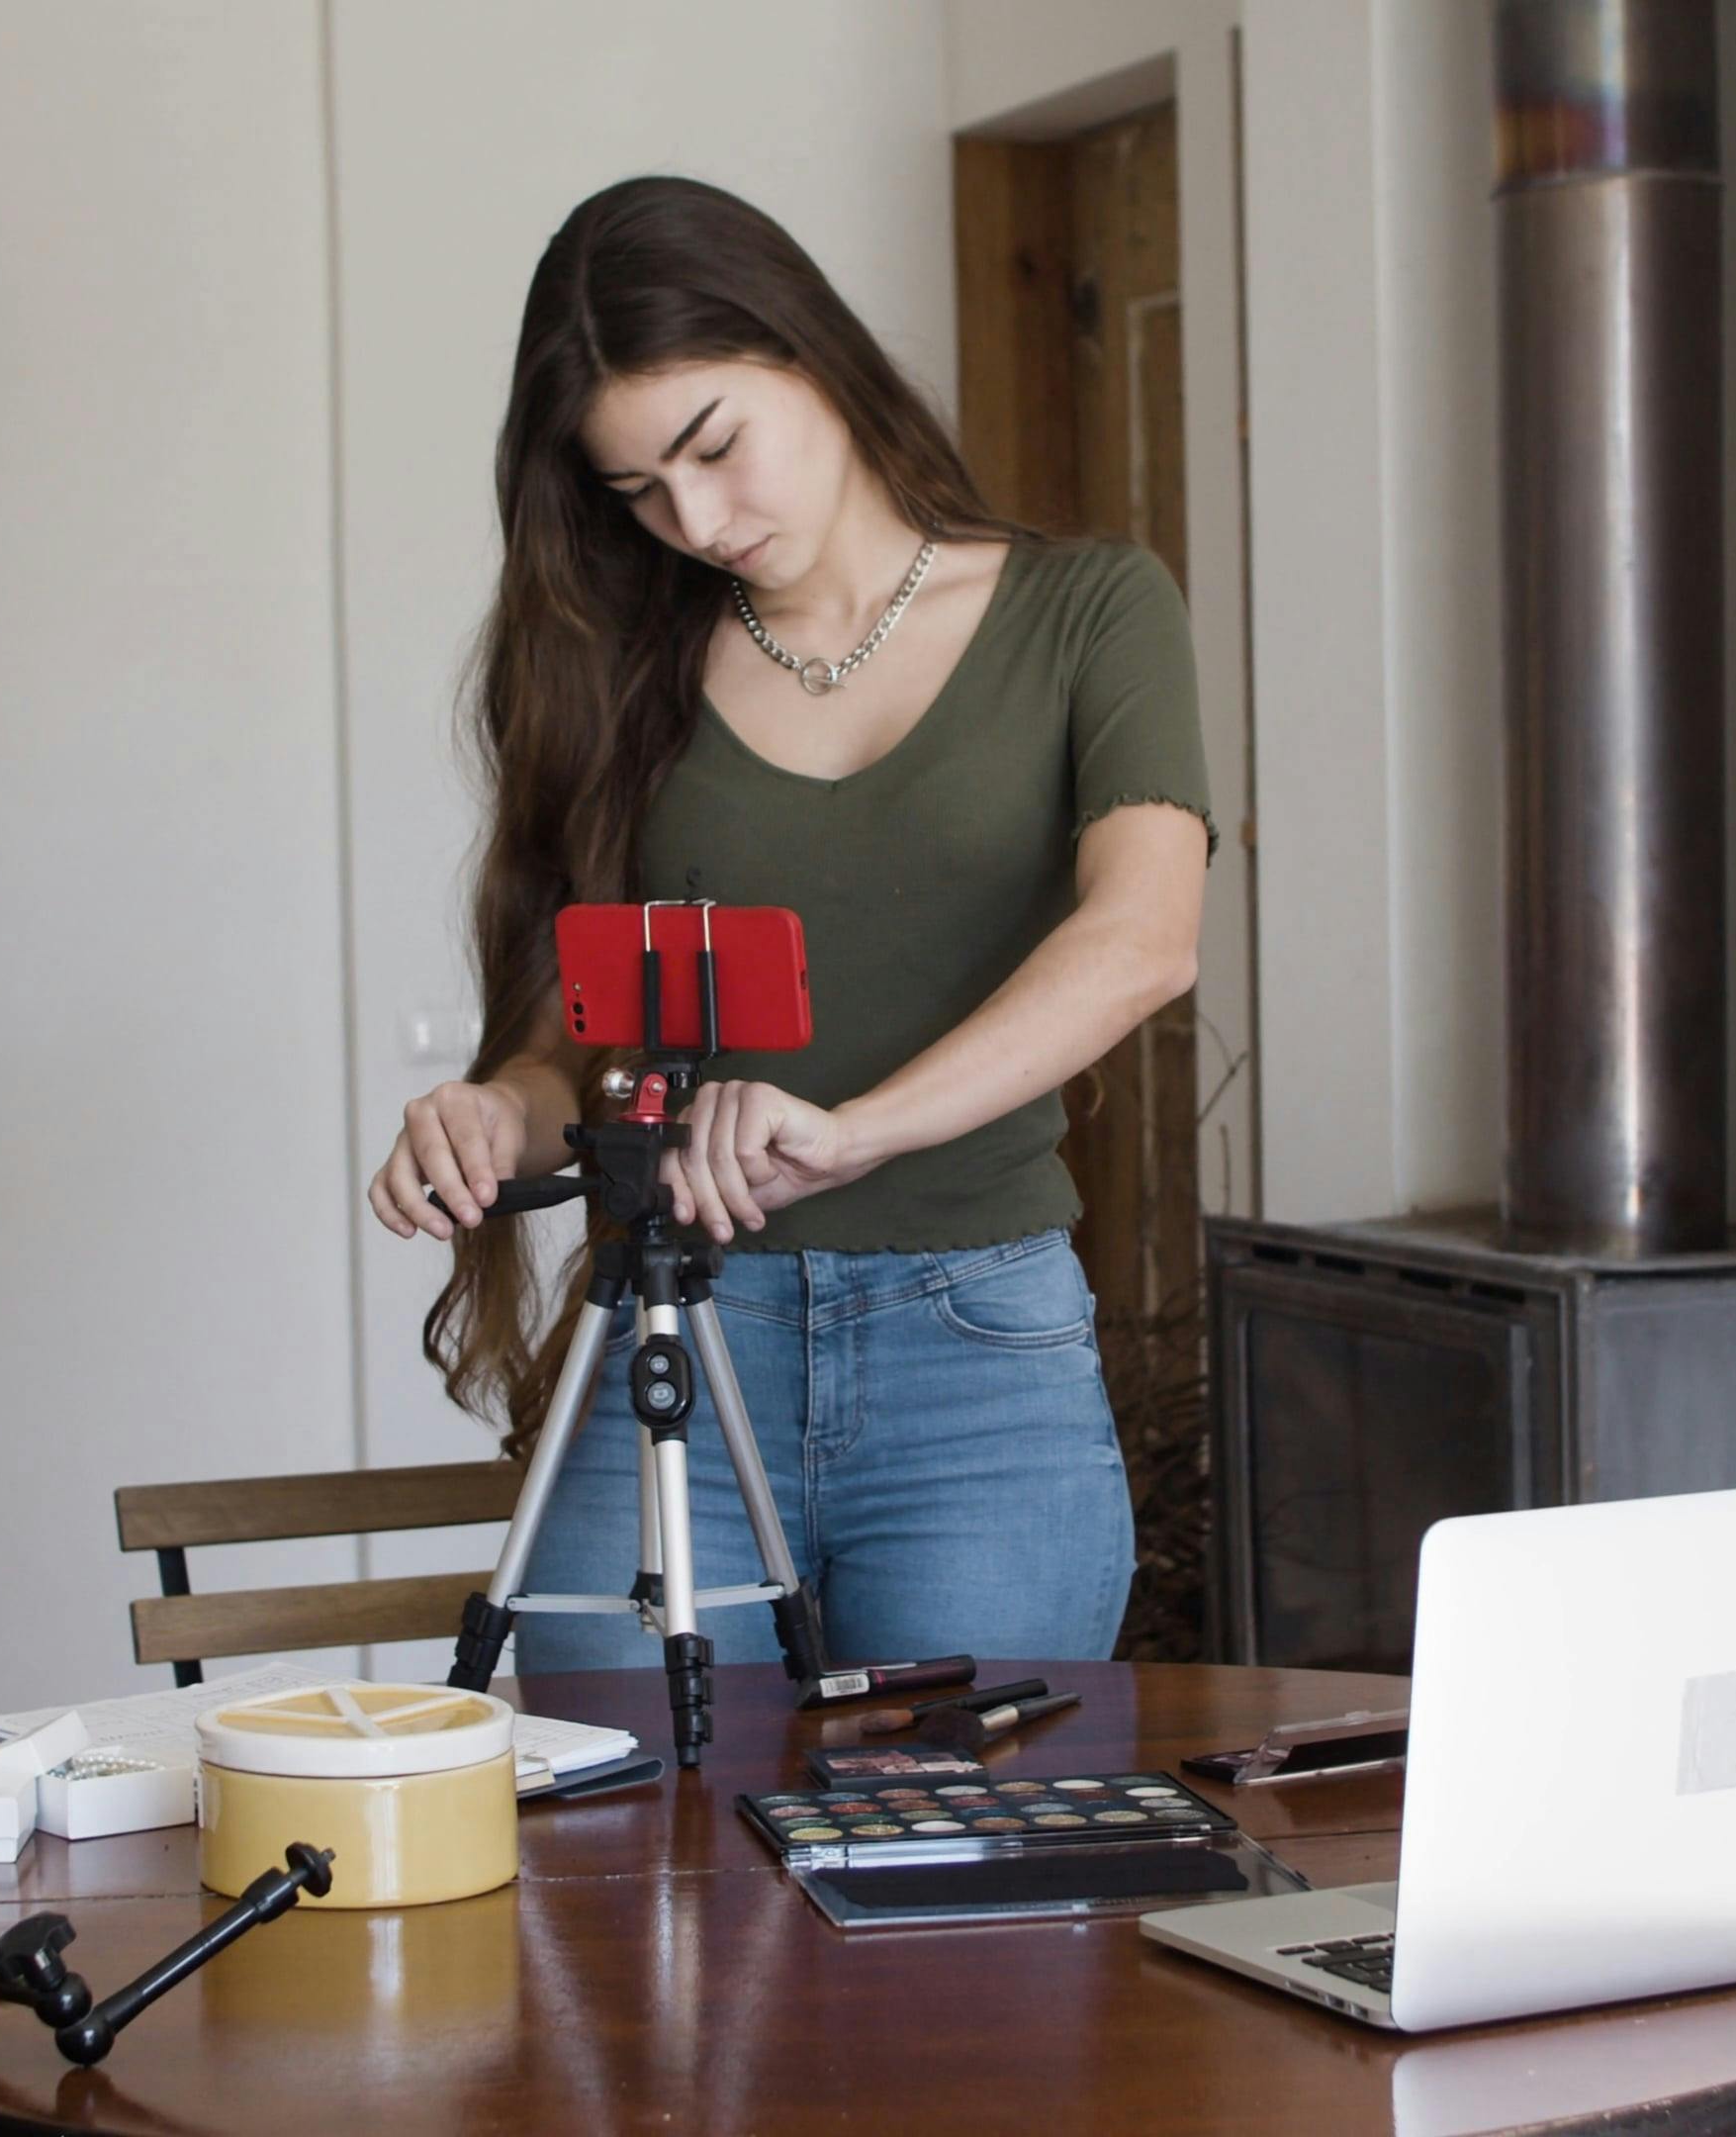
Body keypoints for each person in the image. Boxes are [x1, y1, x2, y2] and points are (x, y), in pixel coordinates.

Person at [365, 175, 1211, 1674]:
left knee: (961, 1874)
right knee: (619, 1873)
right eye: (637, 491)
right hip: (682, 1341)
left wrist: (861, 1127)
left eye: (712, 447)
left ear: (810, 351)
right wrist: (500, 1115)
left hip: (979, 1357)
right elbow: (586, 1051)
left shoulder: (1088, 612)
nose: (695, 521)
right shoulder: (607, 659)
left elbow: (1142, 939)